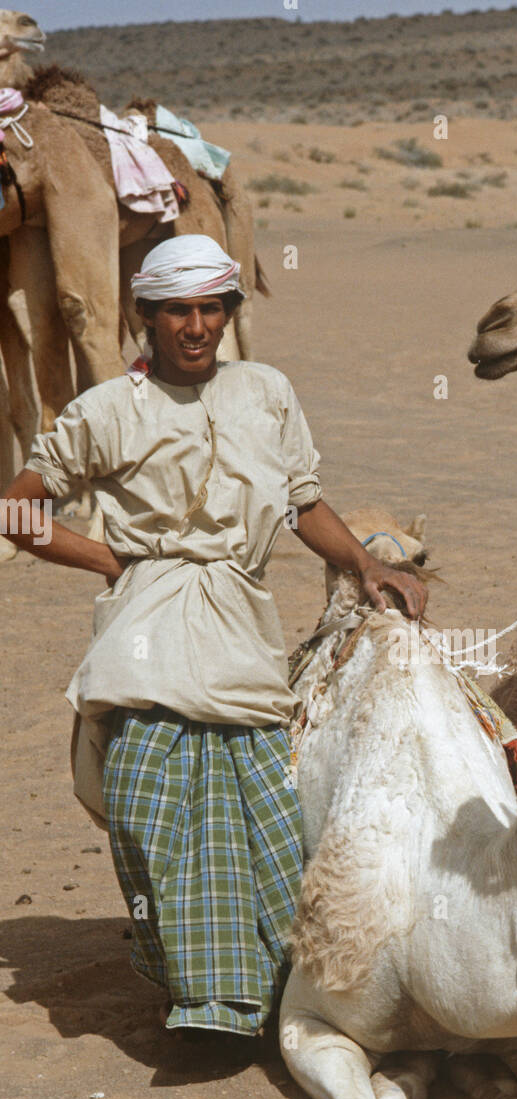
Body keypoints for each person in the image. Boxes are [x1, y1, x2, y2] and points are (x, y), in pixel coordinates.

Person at [1, 234, 426, 1040]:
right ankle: (197, 989)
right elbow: (17, 509)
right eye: (175, 312)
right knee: (142, 800)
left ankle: (267, 996)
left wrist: (367, 564)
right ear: (146, 318)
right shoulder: (106, 410)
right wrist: (110, 560)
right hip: (148, 621)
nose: (195, 327)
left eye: (210, 309)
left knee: (264, 801)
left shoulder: (266, 391)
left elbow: (302, 503)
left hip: (240, 620)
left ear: (229, 313)